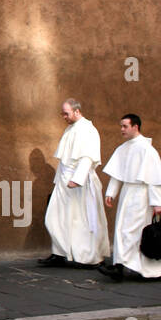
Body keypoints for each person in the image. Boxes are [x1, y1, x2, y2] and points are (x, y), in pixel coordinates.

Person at [99, 114, 161, 281]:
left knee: (134, 232)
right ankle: (122, 265)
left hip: (141, 196)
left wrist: (157, 203)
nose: (121, 130)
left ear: (135, 127)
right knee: (123, 229)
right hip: (127, 193)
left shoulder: (147, 150)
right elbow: (117, 174)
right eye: (121, 126)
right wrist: (111, 192)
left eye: (125, 126)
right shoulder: (123, 149)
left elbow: (154, 179)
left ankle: (122, 267)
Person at [38, 99, 111, 268]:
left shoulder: (87, 130)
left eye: (66, 113)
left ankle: (88, 257)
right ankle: (60, 252)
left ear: (77, 111)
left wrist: (77, 180)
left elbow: (86, 157)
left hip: (79, 183)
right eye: (63, 113)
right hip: (64, 181)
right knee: (56, 217)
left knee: (81, 220)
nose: (63, 116)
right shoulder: (71, 129)